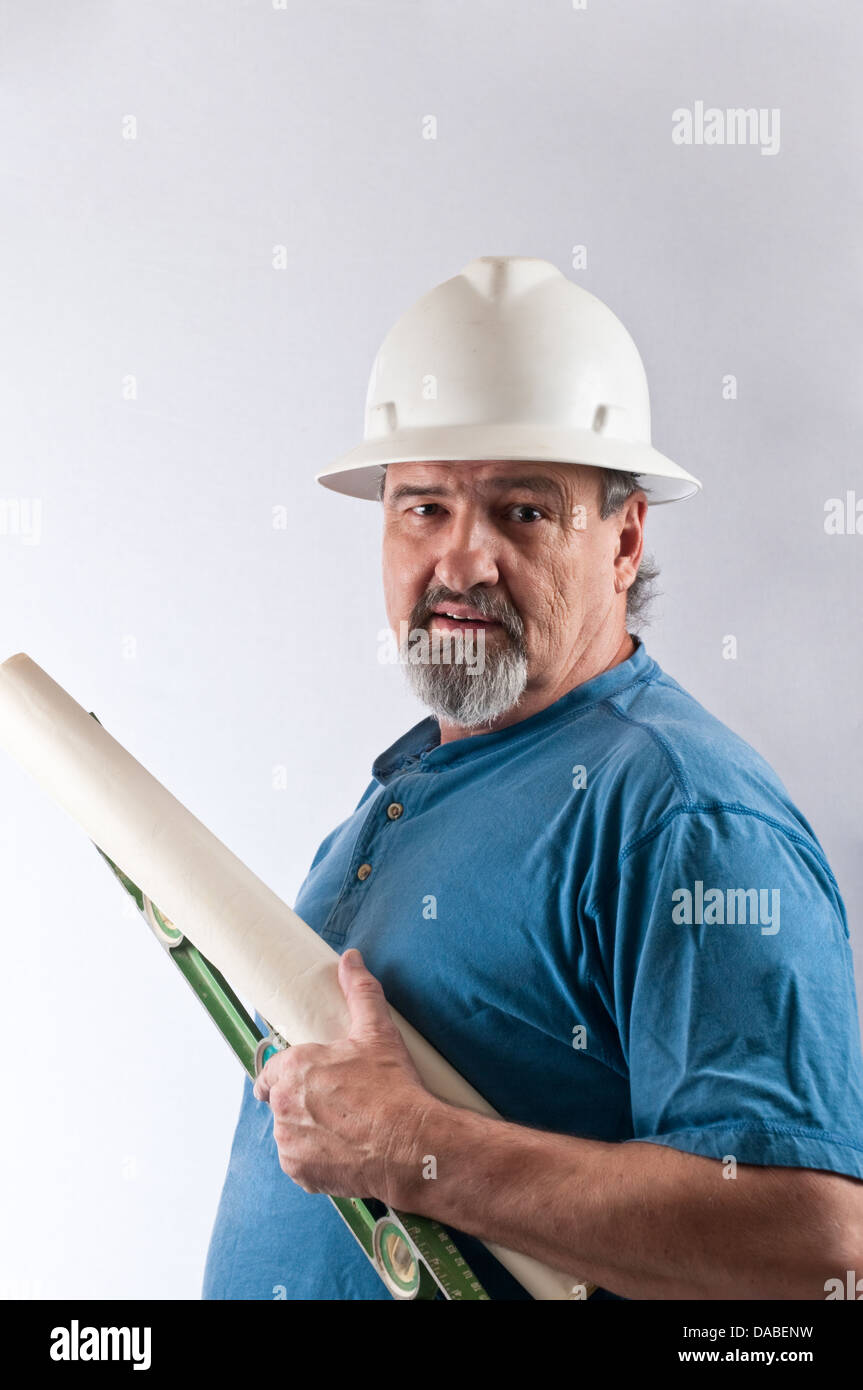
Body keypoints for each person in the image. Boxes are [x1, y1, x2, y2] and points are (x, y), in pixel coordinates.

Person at [203, 259, 863, 1300]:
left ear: (623, 537)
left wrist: (416, 1148)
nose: (461, 561)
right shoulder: (407, 789)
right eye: (422, 507)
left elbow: (810, 1251)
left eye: (518, 511)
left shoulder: (679, 812)